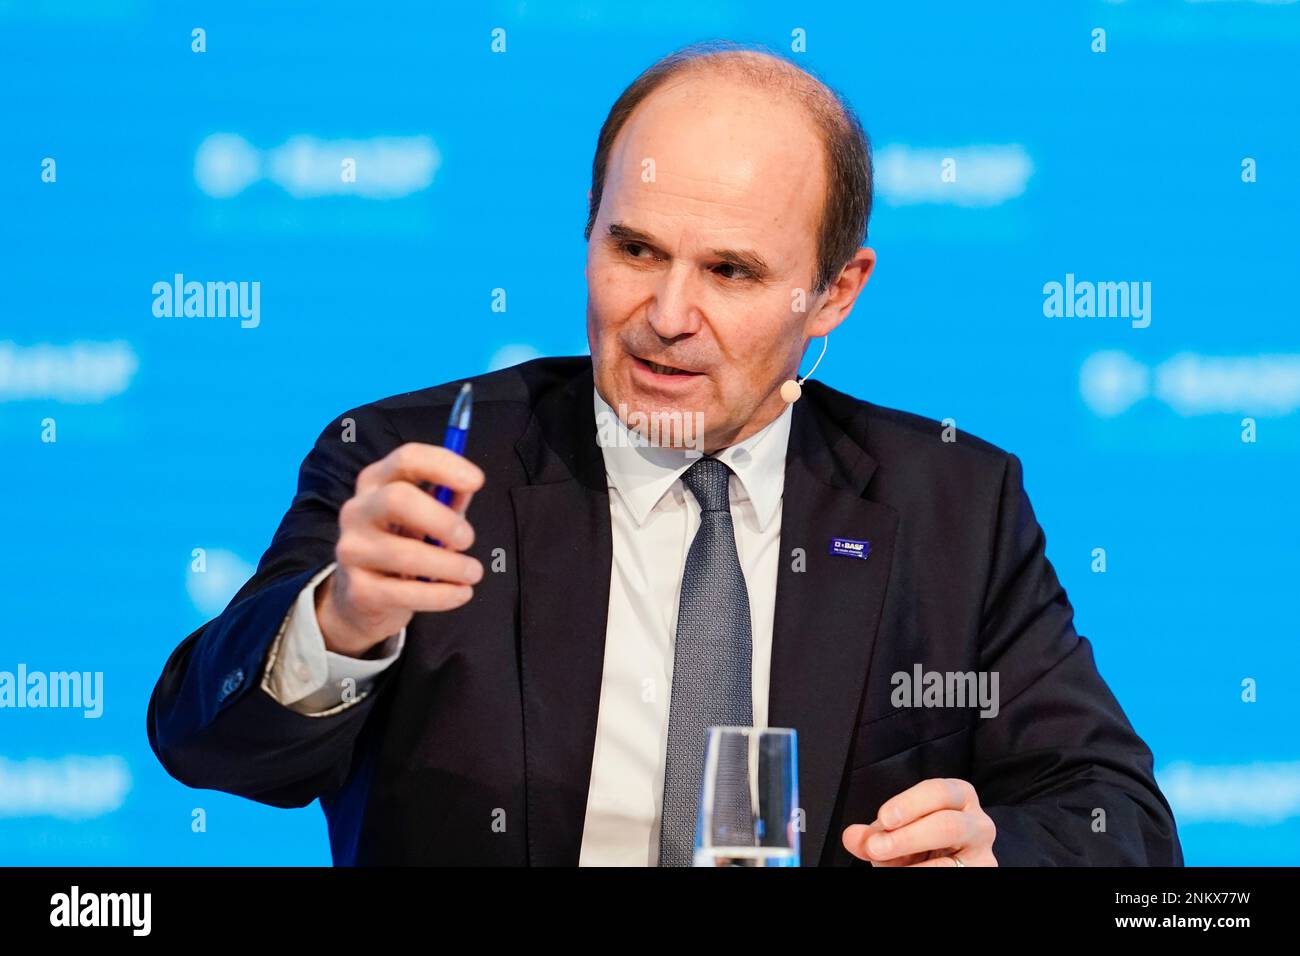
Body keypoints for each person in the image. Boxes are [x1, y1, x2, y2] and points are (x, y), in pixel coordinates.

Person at [147, 41, 1182, 866]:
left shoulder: (954, 502)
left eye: (730, 270)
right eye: (634, 249)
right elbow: (206, 743)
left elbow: (1114, 816)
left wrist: (996, 856)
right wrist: (342, 619)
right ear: (586, 229)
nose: (667, 315)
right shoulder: (416, 458)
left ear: (834, 291)